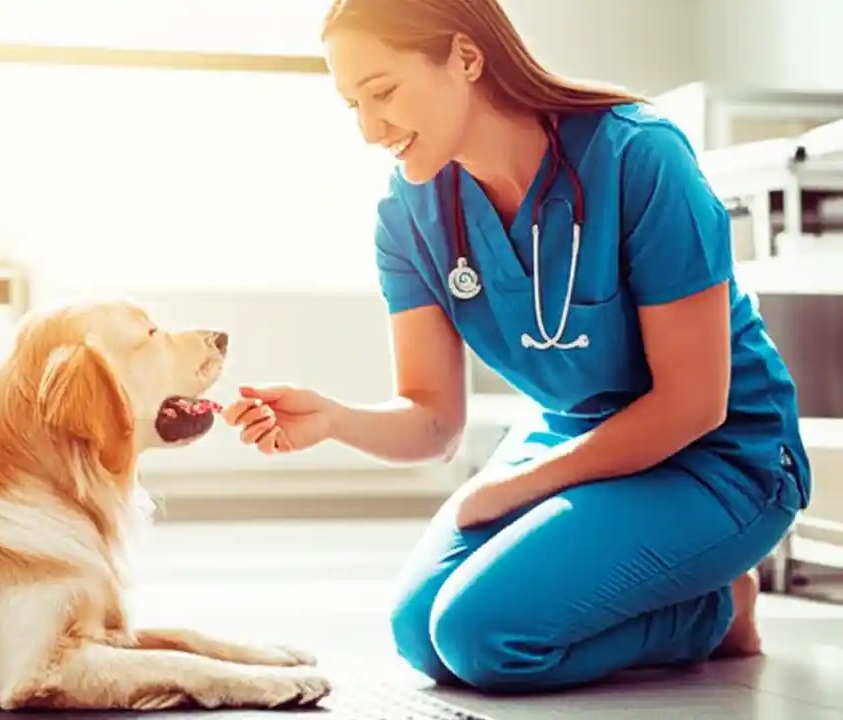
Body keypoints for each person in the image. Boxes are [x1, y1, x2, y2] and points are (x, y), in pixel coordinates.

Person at [221, 0, 812, 695]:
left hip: (719, 454)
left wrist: (521, 485)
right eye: (352, 104)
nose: (369, 130)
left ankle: (714, 611)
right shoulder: (409, 214)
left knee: (483, 637)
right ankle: (672, 585)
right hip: (577, 435)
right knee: (421, 632)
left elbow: (693, 404)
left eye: (382, 92)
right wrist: (335, 421)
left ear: (466, 58)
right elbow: (434, 422)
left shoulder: (639, 156)